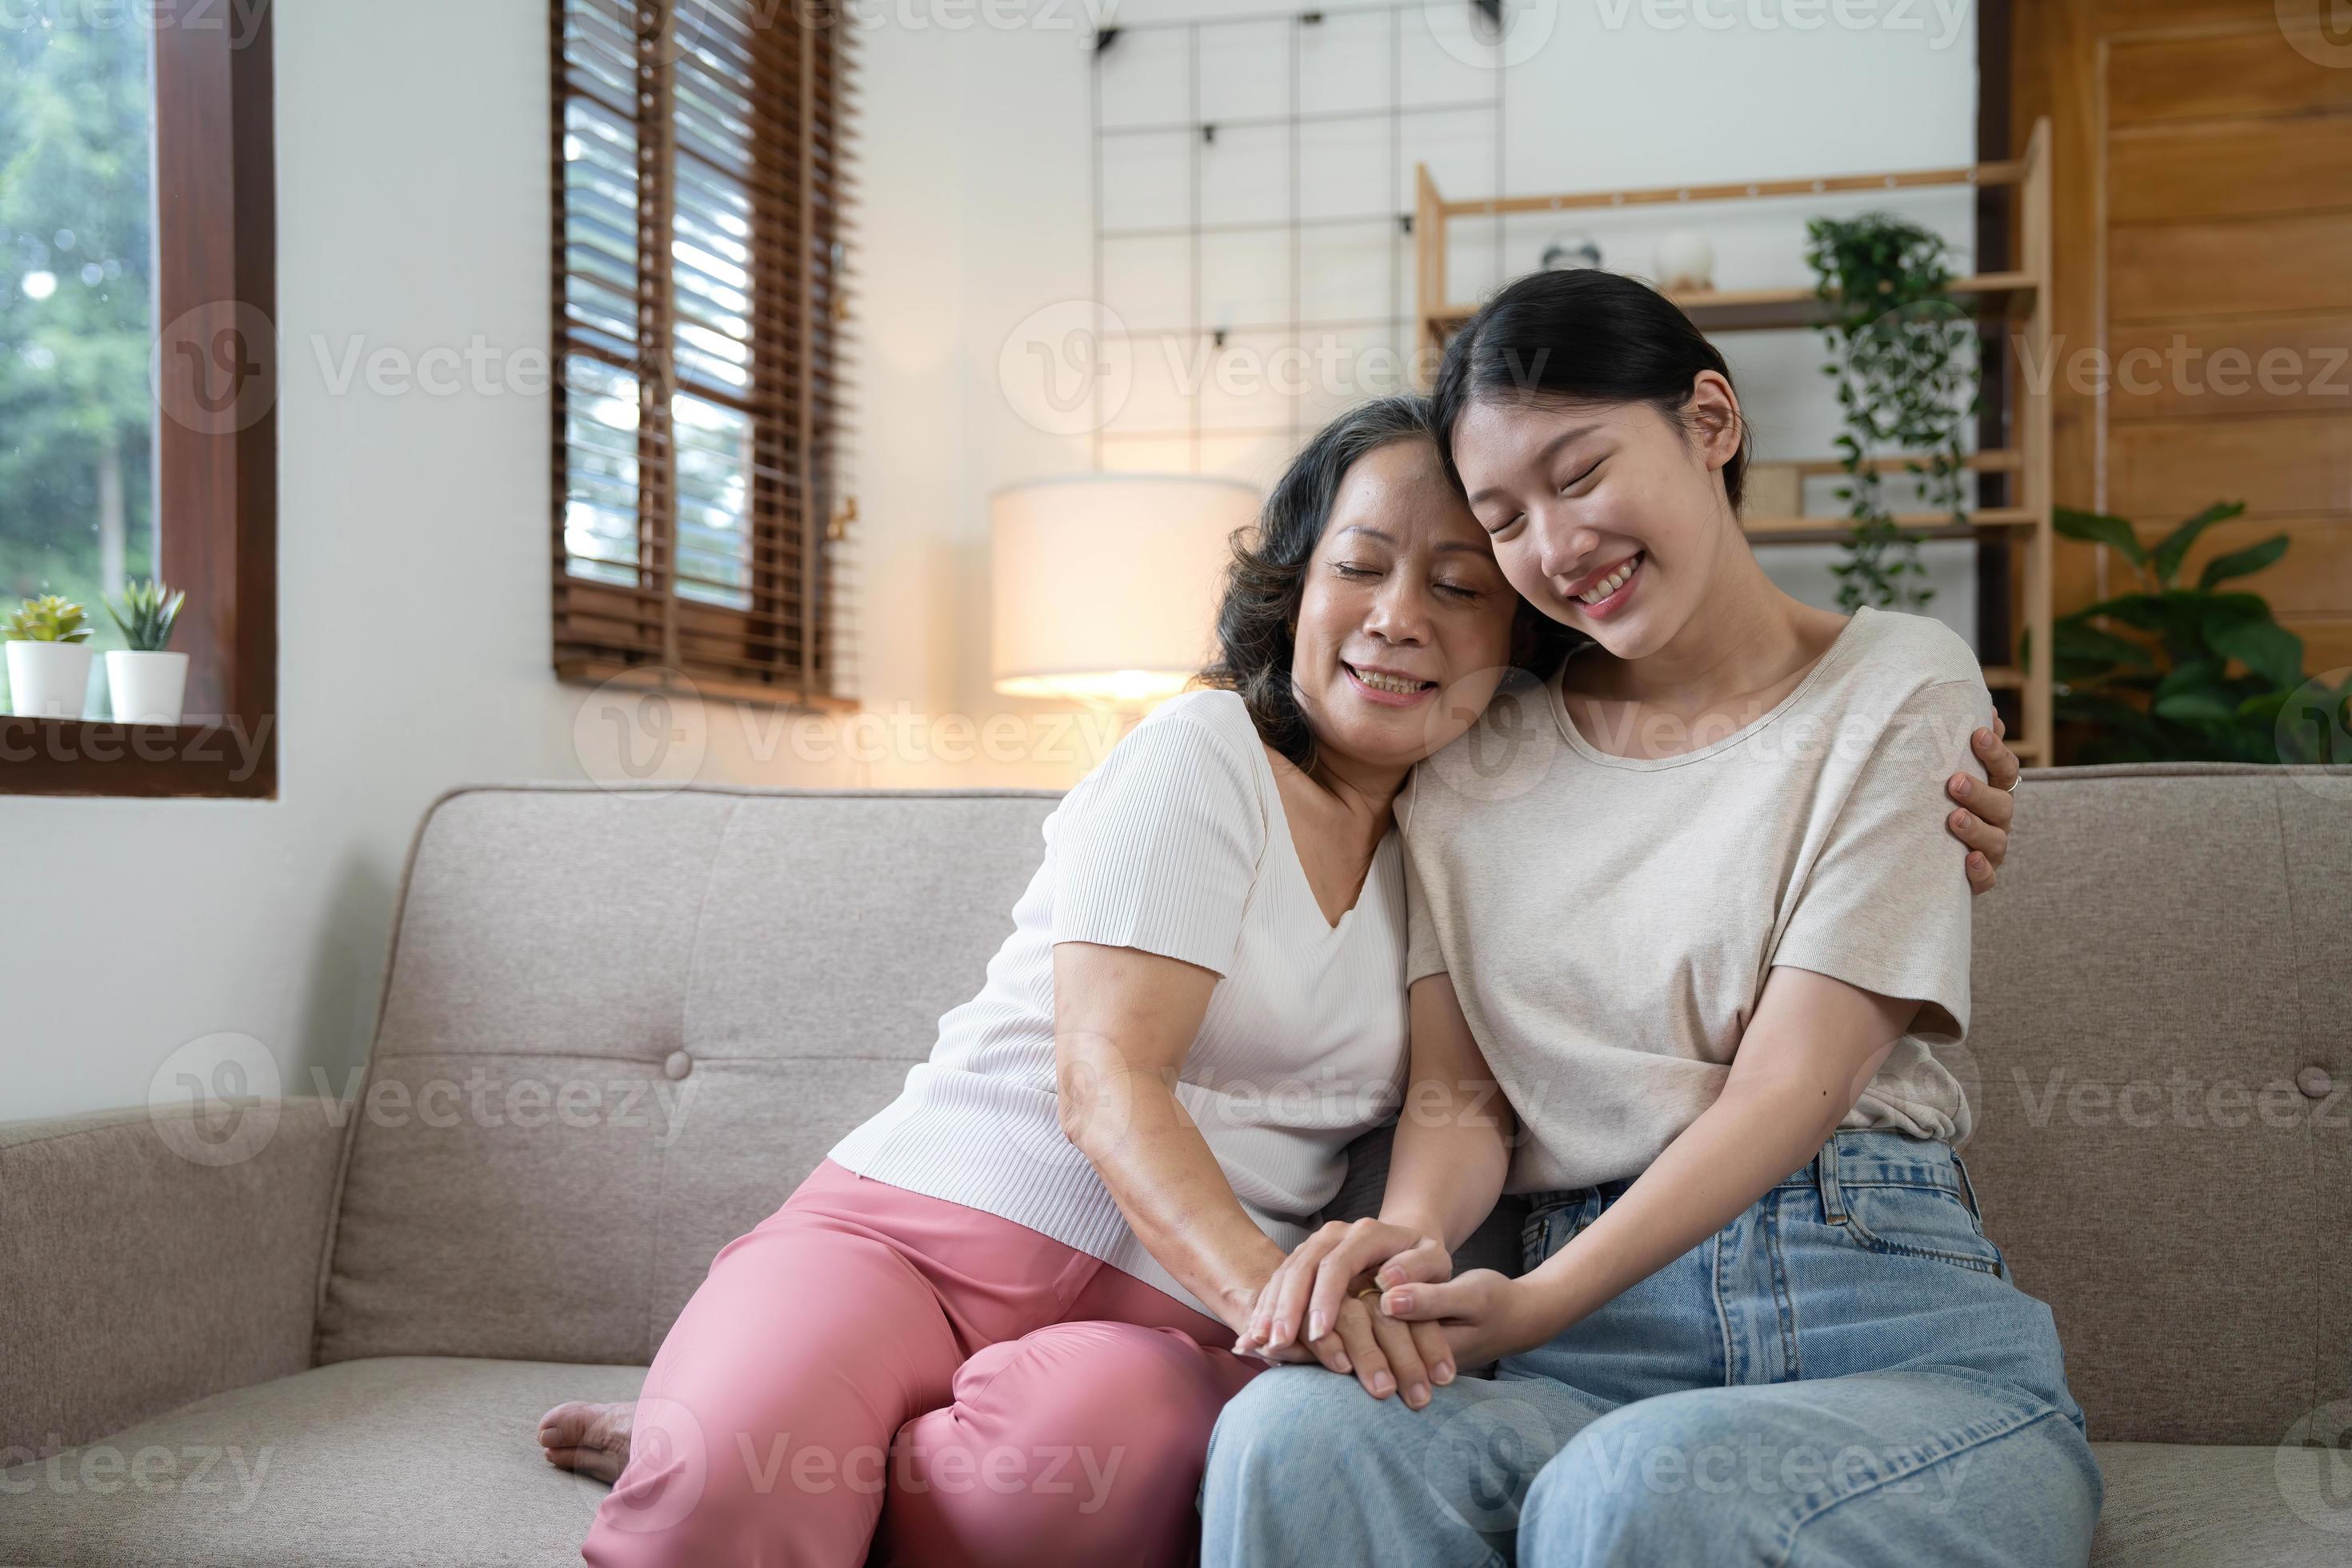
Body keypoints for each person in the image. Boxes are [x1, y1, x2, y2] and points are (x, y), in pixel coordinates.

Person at [543, 398, 2021, 1568]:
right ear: (1293, 585)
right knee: (732, 1490)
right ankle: (741, 1426)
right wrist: (1284, 1303)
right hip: (931, 1232)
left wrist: (1397, 1243)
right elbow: (1103, 1079)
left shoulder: (1464, 829)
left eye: (1461, 587)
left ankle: (770, 1432)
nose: (1399, 618)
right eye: (1360, 568)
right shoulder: (1199, 756)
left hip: (1153, 1322)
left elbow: (1459, 1103)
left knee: (1048, 1506)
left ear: (1517, 643)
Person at [1208, 267, 2097, 1566]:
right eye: (1505, 520)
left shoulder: (1898, 681)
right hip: (1583, 1361)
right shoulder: (1473, 754)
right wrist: (1410, 1242)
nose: (1555, 547)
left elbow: (1793, 1084)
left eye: (1580, 475)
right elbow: (1465, 1099)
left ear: (1711, 422)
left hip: (1880, 1331)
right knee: (1298, 1437)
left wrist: (1539, 1301)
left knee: (1636, 1492)